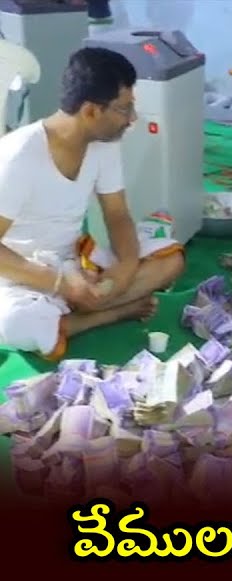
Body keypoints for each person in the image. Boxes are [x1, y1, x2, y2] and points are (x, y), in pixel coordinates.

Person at [0, 48, 184, 359]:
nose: (132, 119)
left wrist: (125, 267)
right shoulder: (18, 156)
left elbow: (118, 215)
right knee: (20, 324)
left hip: (77, 264)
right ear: (90, 111)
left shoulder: (103, 145)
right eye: (124, 109)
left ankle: (78, 311)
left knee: (171, 259)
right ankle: (109, 313)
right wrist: (60, 284)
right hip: (24, 276)